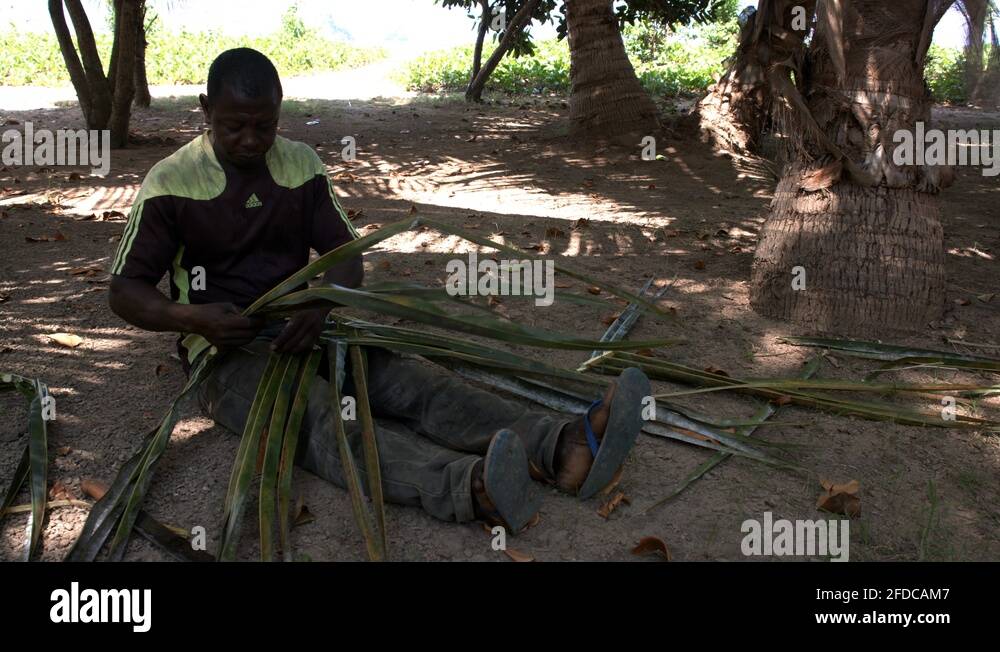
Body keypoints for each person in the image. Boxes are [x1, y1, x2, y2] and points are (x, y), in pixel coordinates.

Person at [108, 48, 649, 535]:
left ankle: (563, 447)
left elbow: (346, 256)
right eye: (234, 127)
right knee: (320, 417)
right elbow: (125, 291)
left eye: (264, 126)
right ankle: (469, 488)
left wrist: (320, 304)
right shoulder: (171, 181)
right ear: (205, 110)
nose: (250, 140)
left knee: (414, 382)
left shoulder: (300, 166)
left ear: (279, 112)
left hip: (309, 325)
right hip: (223, 354)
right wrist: (195, 320)